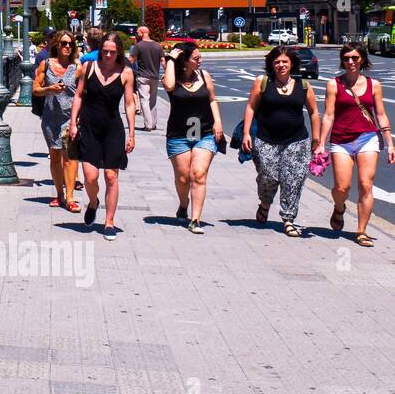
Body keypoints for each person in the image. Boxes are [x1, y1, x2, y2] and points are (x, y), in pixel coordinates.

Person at [319, 42, 394, 247]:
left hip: (367, 137)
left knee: (365, 184)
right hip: (340, 139)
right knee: (342, 187)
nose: (351, 62)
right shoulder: (334, 84)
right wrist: (320, 144)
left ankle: (361, 231)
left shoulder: (374, 85)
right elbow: (328, 115)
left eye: (355, 58)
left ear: (362, 59)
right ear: (342, 61)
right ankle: (339, 207)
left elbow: (380, 114)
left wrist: (390, 143)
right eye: (347, 58)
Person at [242, 46, 320, 237]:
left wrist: (316, 139)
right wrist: (246, 133)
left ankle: (288, 219)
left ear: (291, 63)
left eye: (284, 61)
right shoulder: (263, 82)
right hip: (266, 139)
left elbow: (314, 112)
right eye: (277, 62)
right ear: (271, 64)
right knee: (268, 176)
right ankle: (265, 203)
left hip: (297, 141)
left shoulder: (303, 85)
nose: (281, 65)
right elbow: (251, 108)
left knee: (293, 180)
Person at [68, 31, 135, 239]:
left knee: (111, 176)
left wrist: (132, 132)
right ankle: (94, 202)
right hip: (89, 127)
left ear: (119, 53)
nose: (107, 55)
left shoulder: (126, 72)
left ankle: (109, 222)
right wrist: (73, 123)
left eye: (112, 52)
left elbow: (130, 103)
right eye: (105, 51)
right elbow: (78, 95)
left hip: (113, 129)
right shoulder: (88, 68)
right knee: (91, 176)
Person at [162, 41, 224, 234]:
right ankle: (183, 204)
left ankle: (195, 219)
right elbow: (169, 85)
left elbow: (212, 99)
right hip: (178, 134)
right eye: (196, 58)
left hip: (204, 132)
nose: (200, 61)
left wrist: (218, 122)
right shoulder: (172, 77)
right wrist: (171, 58)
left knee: (198, 173)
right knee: (182, 178)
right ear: (185, 61)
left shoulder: (204, 76)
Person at [34, 29, 80, 212]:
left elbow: (82, 94)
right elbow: (35, 89)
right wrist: (50, 89)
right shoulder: (46, 64)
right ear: (57, 45)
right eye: (63, 43)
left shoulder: (77, 68)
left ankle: (70, 197)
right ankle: (59, 195)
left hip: (70, 118)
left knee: (69, 157)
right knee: (54, 157)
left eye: (70, 44)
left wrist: (78, 118)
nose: (67, 46)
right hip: (50, 118)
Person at [130, 26, 163, 132]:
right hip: (155, 76)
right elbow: (163, 60)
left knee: (144, 100)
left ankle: (148, 125)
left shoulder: (138, 46)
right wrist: (166, 73)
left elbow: (131, 60)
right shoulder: (158, 45)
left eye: (137, 32)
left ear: (142, 33)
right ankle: (153, 123)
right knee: (153, 100)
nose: (136, 34)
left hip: (143, 76)